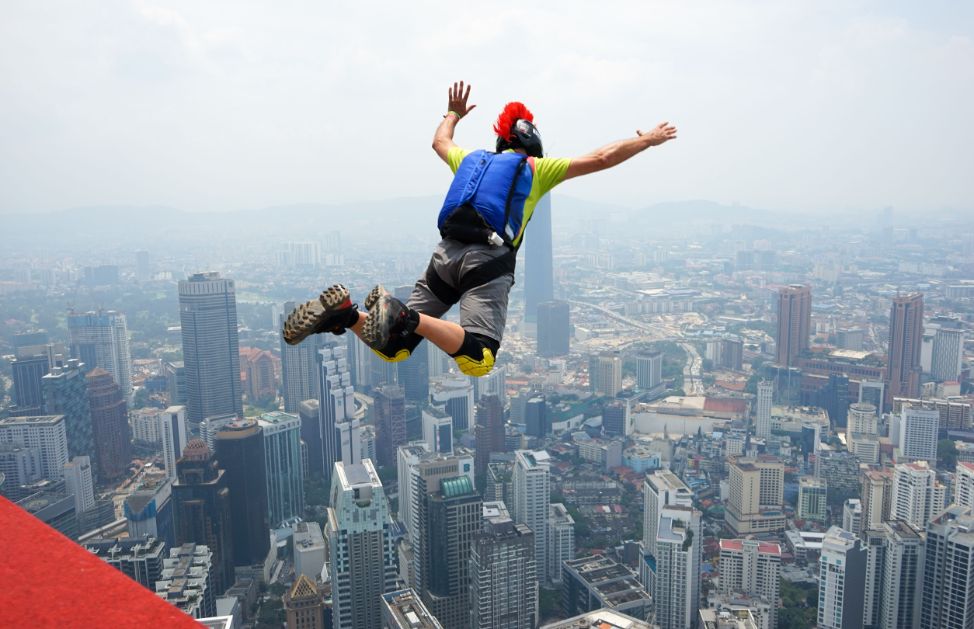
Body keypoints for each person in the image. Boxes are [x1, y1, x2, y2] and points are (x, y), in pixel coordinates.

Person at [283, 80, 677, 376]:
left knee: (394, 349)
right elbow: (604, 157)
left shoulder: (470, 160)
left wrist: (452, 113)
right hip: (487, 262)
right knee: (479, 359)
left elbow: (440, 142)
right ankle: (403, 316)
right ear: (531, 142)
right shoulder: (535, 169)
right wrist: (647, 140)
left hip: (444, 255)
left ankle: (345, 314)